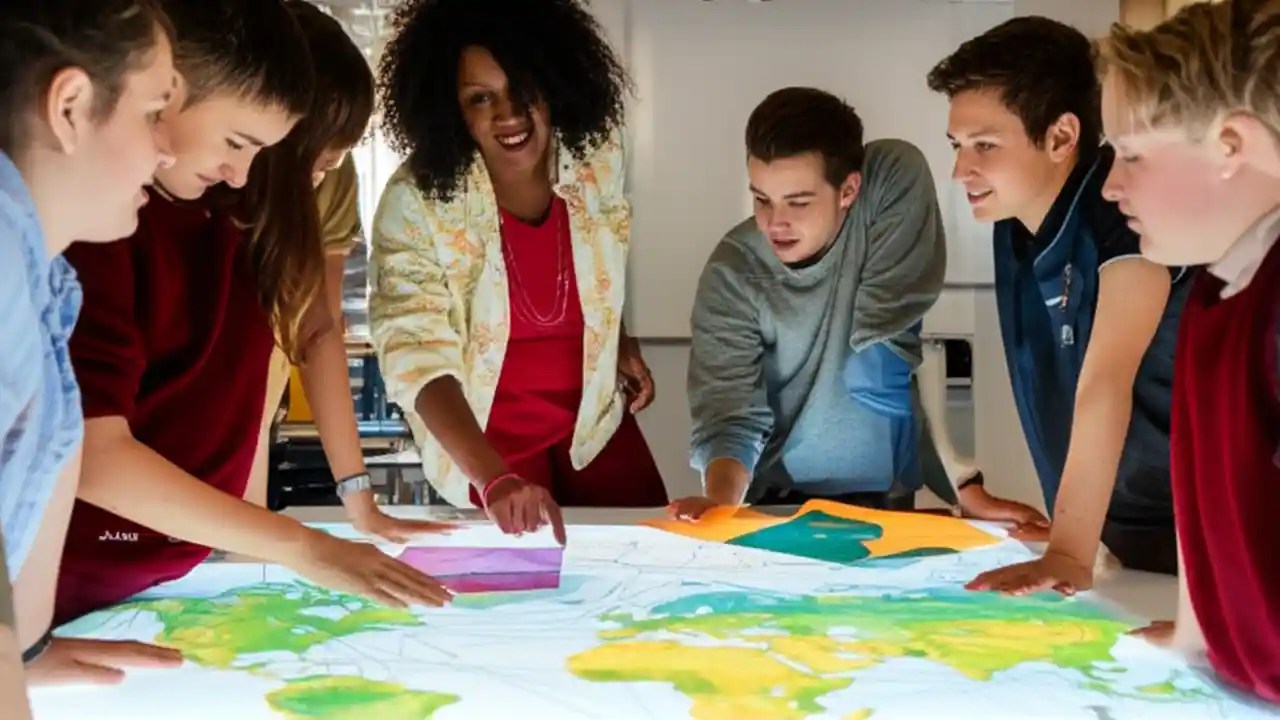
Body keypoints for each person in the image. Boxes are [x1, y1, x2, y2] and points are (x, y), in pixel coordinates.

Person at [56, 0, 451, 627]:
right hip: (75, 583)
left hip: (149, 580)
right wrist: (300, 544)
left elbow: (304, 345)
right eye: (241, 143)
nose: (240, 172)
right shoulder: (108, 225)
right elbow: (90, 452)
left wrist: (344, 505)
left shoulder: (232, 224)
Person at [671, 87, 1046, 525]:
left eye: (799, 201)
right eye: (762, 199)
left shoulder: (886, 187)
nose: (776, 223)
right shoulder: (733, 271)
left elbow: (887, 358)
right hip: (774, 506)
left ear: (849, 190)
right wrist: (719, 502)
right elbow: (729, 417)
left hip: (885, 501)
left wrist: (963, 485)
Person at [371, 0, 667, 543]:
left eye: (523, 88)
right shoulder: (415, 201)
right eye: (480, 98)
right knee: (530, 602)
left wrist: (615, 337)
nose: (509, 115)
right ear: (451, 108)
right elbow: (414, 356)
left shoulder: (596, 156)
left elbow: (597, 260)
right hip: (489, 444)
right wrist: (492, 479)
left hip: (592, 424)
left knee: (653, 557)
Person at [925, 16, 1190, 596]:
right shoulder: (1012, 226)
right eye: (958, 146)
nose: (960, 170)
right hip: (1105, 549)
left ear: (1062, 136)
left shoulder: (1118, 210)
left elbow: (1105, 382)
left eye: (985, 146)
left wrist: (1069, 548)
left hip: (1183, 547)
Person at [0, 0, 187, 692]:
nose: (167, 146)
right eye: (152, 110)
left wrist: (22, 656)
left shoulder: (41, 275)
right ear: (71, 106)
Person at [1096, 1, 1280, 701]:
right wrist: (1194, 636)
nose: (1111, 186)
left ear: (1230, 144)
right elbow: (1200, 493)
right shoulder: (1214, 291)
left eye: (1133, 155)